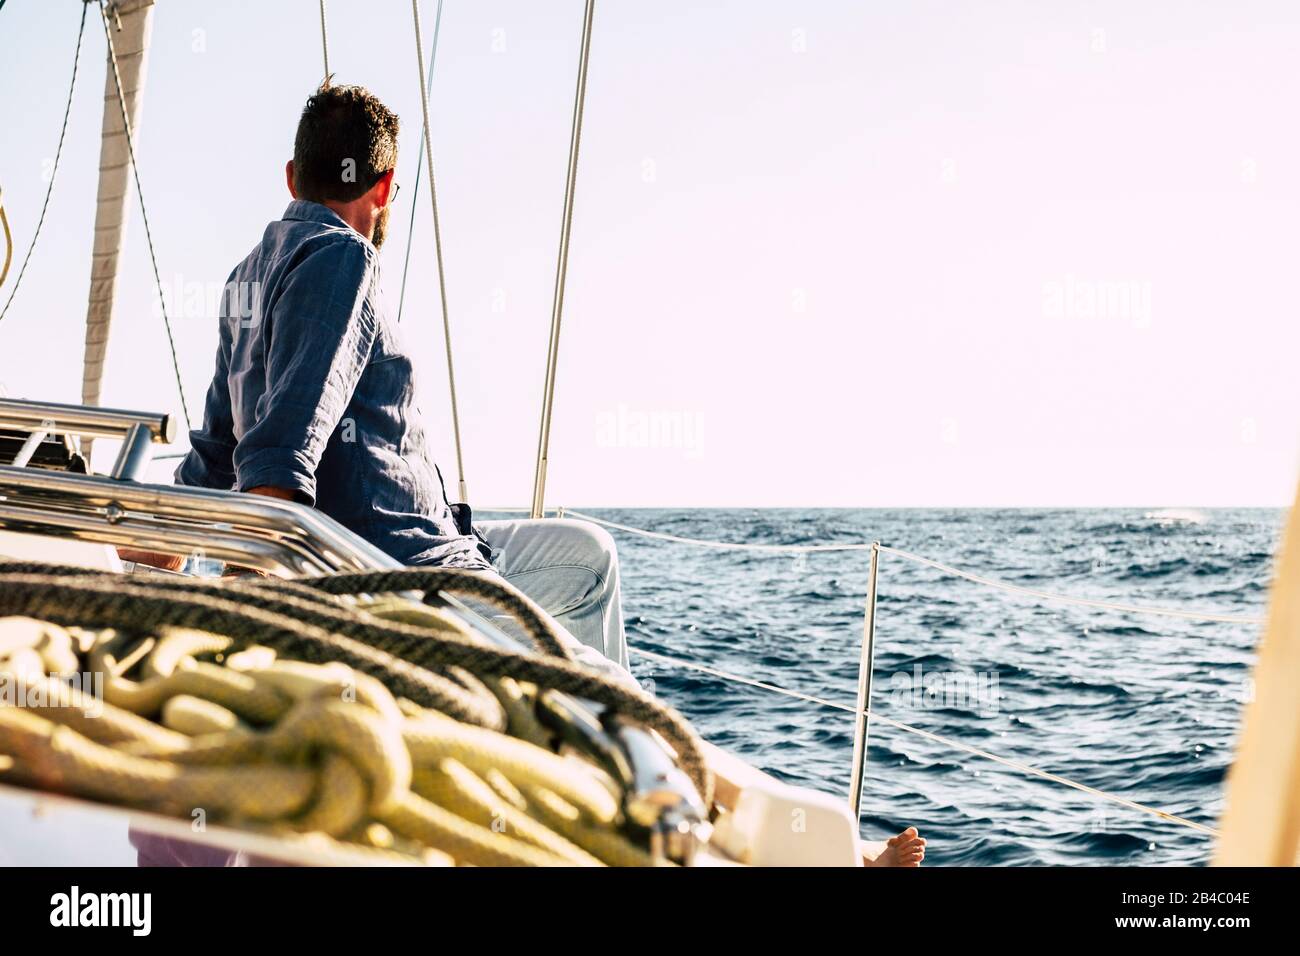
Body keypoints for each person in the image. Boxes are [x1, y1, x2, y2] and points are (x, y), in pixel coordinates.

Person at [129, 82, 626, 678]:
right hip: (394, 566)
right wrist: (249, 610)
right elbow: (280, 450)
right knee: (609, 688)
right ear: (385, 186)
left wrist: (149, 553)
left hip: (427, 539)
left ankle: (539, 696)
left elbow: (217, 451)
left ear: (292, 177)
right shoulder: (343, 256)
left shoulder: (246, 275)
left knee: (588, 552)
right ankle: (572, 717)